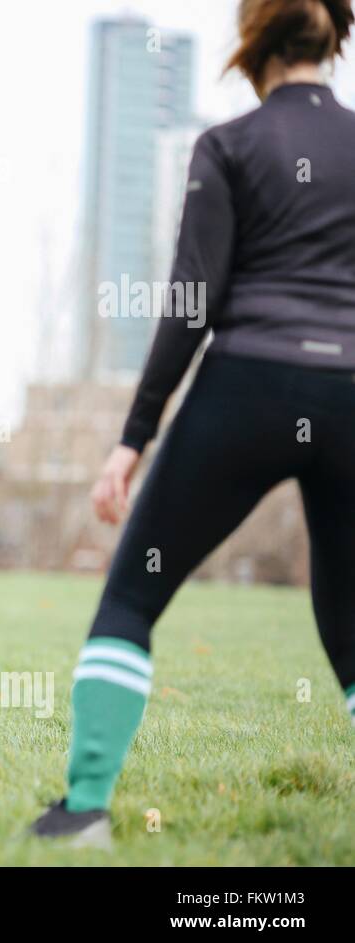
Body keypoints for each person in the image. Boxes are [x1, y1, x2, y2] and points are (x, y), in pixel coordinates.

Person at [32, 0, 355, 848]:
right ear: (338, 35)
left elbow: (189, 304)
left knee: (132, 597)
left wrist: (132, 438)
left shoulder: (230, 145)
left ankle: (83, 815)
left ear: (250, 45)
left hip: (248, 383)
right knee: (353, 631)